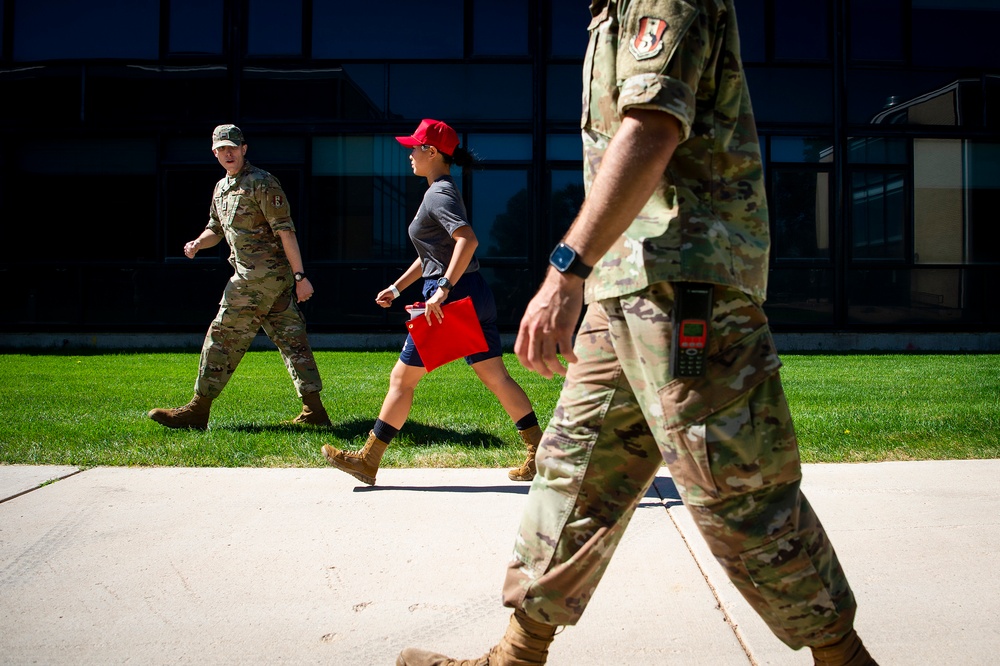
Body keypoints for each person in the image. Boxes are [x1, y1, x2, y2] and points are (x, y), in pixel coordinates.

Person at [397, 3, 877, 666]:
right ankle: (517, 654)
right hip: (619, 284)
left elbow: (653, 128)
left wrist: (565, 268)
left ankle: (843, 659)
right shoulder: (609, 14)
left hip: (685, 284)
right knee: (573, 474)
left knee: (737, 491)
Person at [321, 119, 542, 486]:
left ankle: (368, 460)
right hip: (473, 292)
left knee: (402, 380)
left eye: (414, 147)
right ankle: (540, 453)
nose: (409, 154)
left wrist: (443, 288)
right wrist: (397, 287)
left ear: (432, 151)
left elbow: (467, 240)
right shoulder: (441, 191)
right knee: (496, 377)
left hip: (450, 301)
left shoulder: (439, 193)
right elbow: (432, 255)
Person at [148, 124, 330, 430]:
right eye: (221, 149)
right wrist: (198, 243)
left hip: (257, 280)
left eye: (232, 147)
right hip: (262, 280)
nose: (227, 153)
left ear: (244, 149)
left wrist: (301, 277)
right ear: (214, 153)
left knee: (222, 336)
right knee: (292, 340)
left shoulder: (261, 182)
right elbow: (215, 229)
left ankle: (197, 410)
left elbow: (285, 231)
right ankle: (315, 411)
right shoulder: (221, 187)